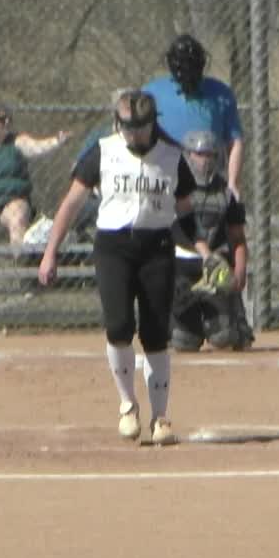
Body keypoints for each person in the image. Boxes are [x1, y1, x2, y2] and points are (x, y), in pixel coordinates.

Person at [37, 89, 210, 446]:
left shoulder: (171, 157)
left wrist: (204, 249)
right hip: (114, 246)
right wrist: (50, 251)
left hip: (157, 247)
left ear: (152, 124)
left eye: (141, 127)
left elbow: (185, 211)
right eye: (127, 126)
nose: (133, 134)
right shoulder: (103, 152)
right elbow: (71, 203)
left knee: (155, 334)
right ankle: (128, 405)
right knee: (118, 325)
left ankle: (160, 417)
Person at [0, 104, 71, 266]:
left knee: (17, 220)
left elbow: (36, 147)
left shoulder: (17, 141)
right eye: (2, 119)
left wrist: (56, 141)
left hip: (13, 200)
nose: (7, 122)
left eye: (9, 118)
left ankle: (23, 274)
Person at [169, 129, 253, 351]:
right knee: (182, 342)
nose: (205, 160)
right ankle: (182, 323)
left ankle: (235, 320)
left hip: (216, 269)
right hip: (182, 268)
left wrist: (239, 271)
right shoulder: (173, 191)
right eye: (199, 154)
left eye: (210, 155)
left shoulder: (226, 193)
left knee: (223, 337)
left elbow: (237, 237)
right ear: (186, 155)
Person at [142, 34, 245, 197]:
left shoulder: (220, 94)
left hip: (207, 179)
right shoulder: (151, 93)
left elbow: (235, 142)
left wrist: (232, 183)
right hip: (162, 179)